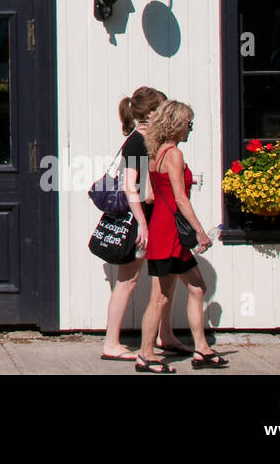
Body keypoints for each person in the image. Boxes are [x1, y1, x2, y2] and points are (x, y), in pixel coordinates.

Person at [135, 100, 229, 372]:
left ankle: (202, 348)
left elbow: (152, 196)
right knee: (160, 298)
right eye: (189, 123)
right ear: (176, 124)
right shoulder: (174, 154)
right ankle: (145, 354)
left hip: (165, 230)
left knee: (197, 286)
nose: (190, 128)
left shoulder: (155, 154)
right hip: (170, 234)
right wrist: (200, 232)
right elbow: (180, 199)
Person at [101, 87, 189, 361]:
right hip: (139, 221)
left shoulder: (148, 140)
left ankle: (166, 334)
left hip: (152, 219)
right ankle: (111, 342)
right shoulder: (137, 142)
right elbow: (131, 187)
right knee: (128, 279)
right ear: (150, 113)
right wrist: (142, 224)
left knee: (164, 278)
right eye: (161, 109)